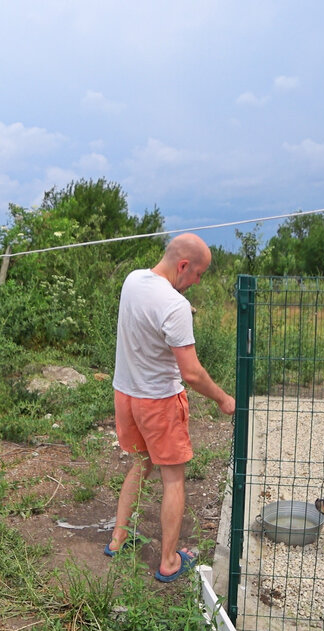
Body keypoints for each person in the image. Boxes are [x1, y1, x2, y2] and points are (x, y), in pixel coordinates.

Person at [105, 233, 236, 582]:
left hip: (126, 396)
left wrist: (178, 305)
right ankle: (169, 561)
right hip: (158, 402)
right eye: (198, 274)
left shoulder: (133, 280)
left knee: (140, 463)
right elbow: (191, 373)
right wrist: (223, 398)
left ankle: (118, 539)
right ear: (183, 266)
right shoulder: (175, 307)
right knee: (174, 479)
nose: (197, 281)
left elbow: (151, 310)